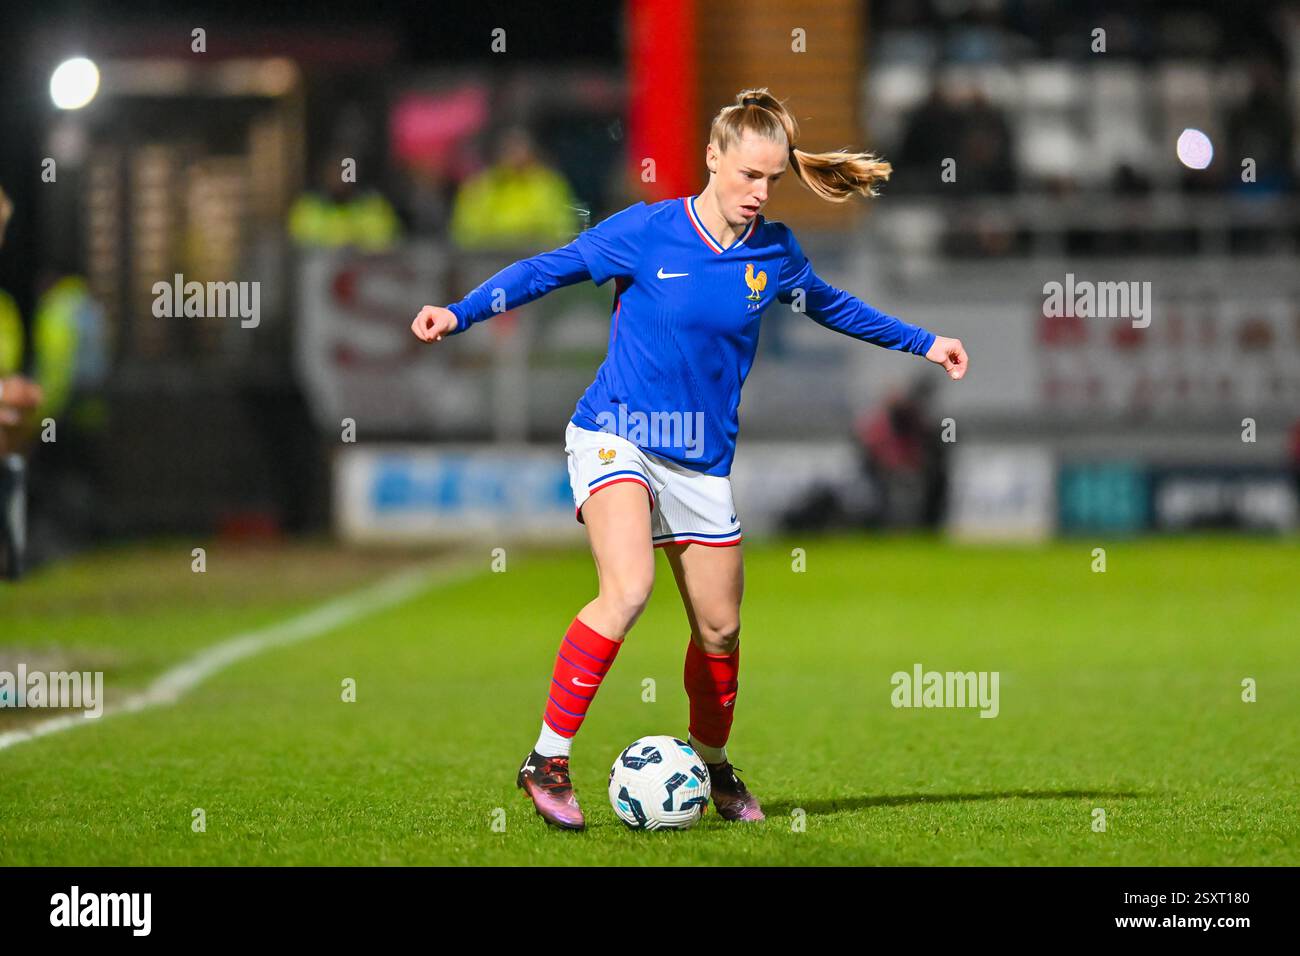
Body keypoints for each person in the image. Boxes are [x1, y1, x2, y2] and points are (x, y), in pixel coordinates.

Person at [410, 88, 969, 830]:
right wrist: (460, 313)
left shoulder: (775, 253)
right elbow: (551, 267)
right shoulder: (647, 233)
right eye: (746, 176)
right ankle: (546, 760)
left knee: (720, 632)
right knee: (629, 588)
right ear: (711, 157)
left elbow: (835, 307)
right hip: (617, 433)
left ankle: (711, 764)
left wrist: (925, 342)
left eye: (771, 179)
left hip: (700, 465)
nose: (758, 194)